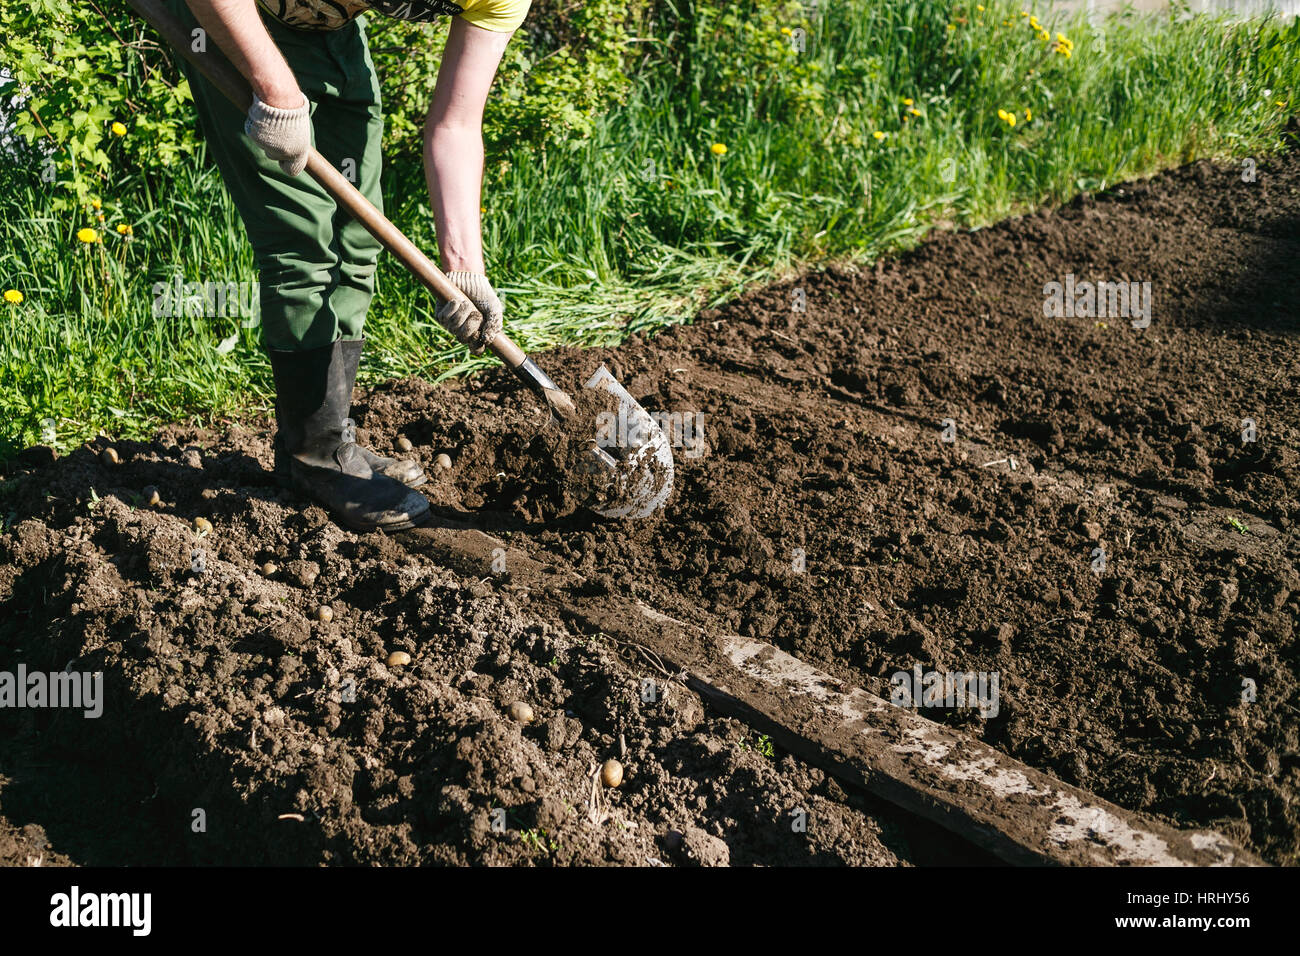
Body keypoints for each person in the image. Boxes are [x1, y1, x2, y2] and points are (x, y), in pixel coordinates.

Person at [173, 0, 531, 530]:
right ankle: (314, 457)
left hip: (331, 31)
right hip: (238, 19)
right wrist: (275, 91)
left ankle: (327, 437)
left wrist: (464, 269)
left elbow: (456, 125)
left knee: (358, 237)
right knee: (302, 243)